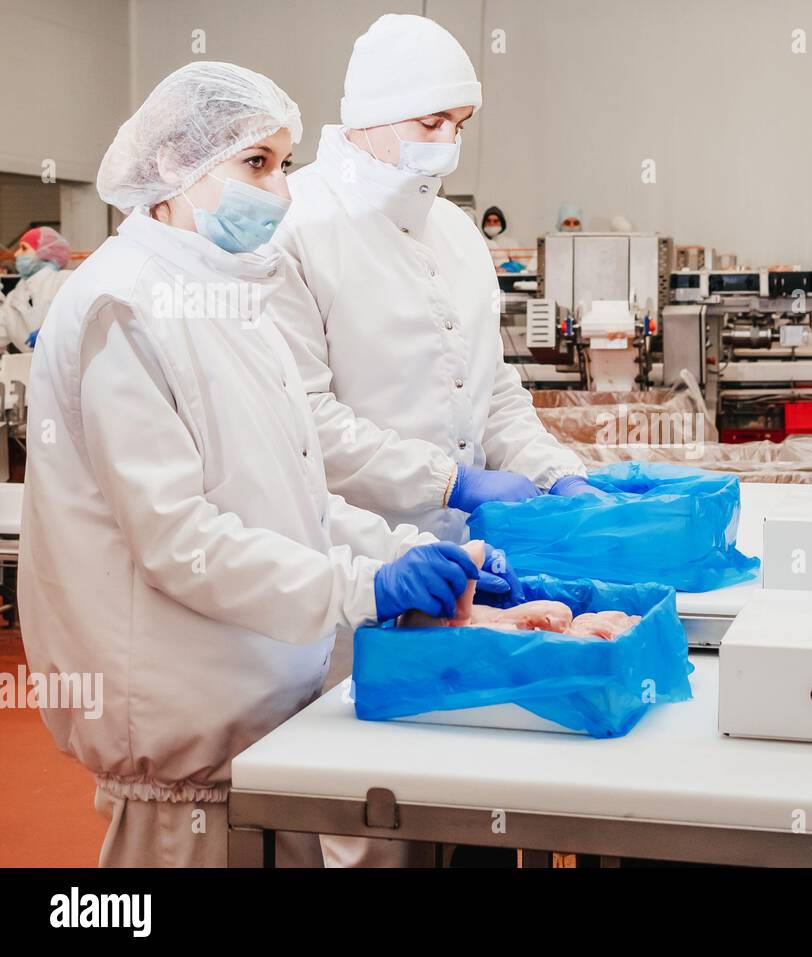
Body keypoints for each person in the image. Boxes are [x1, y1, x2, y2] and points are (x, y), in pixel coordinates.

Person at [18, 61, 509, 868]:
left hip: (265, 725)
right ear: (174, 167)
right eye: (257, 164)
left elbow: (294, 496)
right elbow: (179, 539)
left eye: (283, 163)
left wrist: (402, 553)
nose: (280, 191)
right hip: (185, 752)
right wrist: (362, 588)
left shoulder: (229, 301)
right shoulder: (123, 305)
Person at [272, 13, 601, 556]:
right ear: (373, 115)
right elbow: (304, 420)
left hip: (467, 556)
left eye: (461, 124)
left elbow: (489, 391)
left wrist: (554, 474)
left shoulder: (455, 230)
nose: (449, 142)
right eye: (432, 122)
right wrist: (450, 482)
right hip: (349, 557)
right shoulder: (295, 225)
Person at [0, 226, 73, 350]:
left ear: (44, 251)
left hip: (66, 364)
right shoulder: (13, 297)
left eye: (24, 248)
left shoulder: (66, 281)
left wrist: (55, 332)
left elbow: (82, 318)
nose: (16, 254)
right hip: (29, 366)